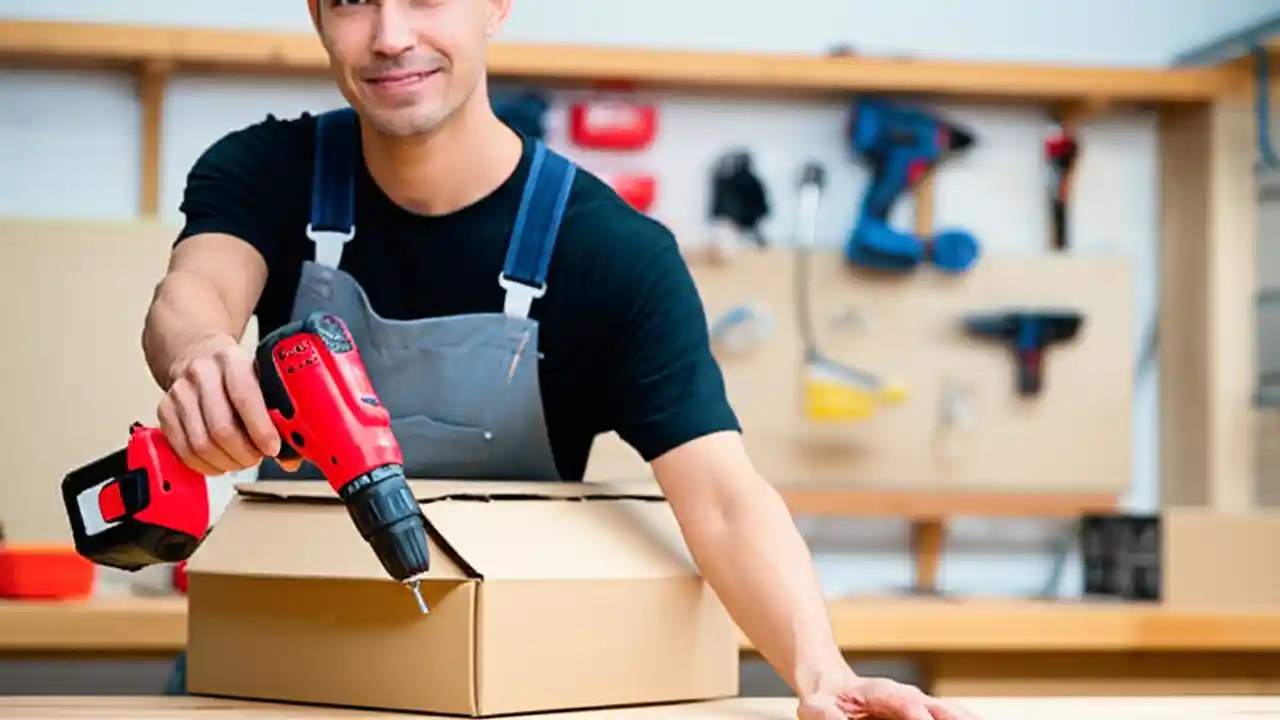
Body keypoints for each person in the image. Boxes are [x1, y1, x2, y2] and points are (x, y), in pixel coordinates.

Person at [141, 1, 980, 719]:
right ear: (318, 14)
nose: (391, 34)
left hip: (492, 682)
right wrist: (203, 356)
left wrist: (821, 669)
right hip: (262, 672)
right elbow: (192, 295)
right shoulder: (264, 172)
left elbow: (723, 502)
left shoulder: (612, 254)